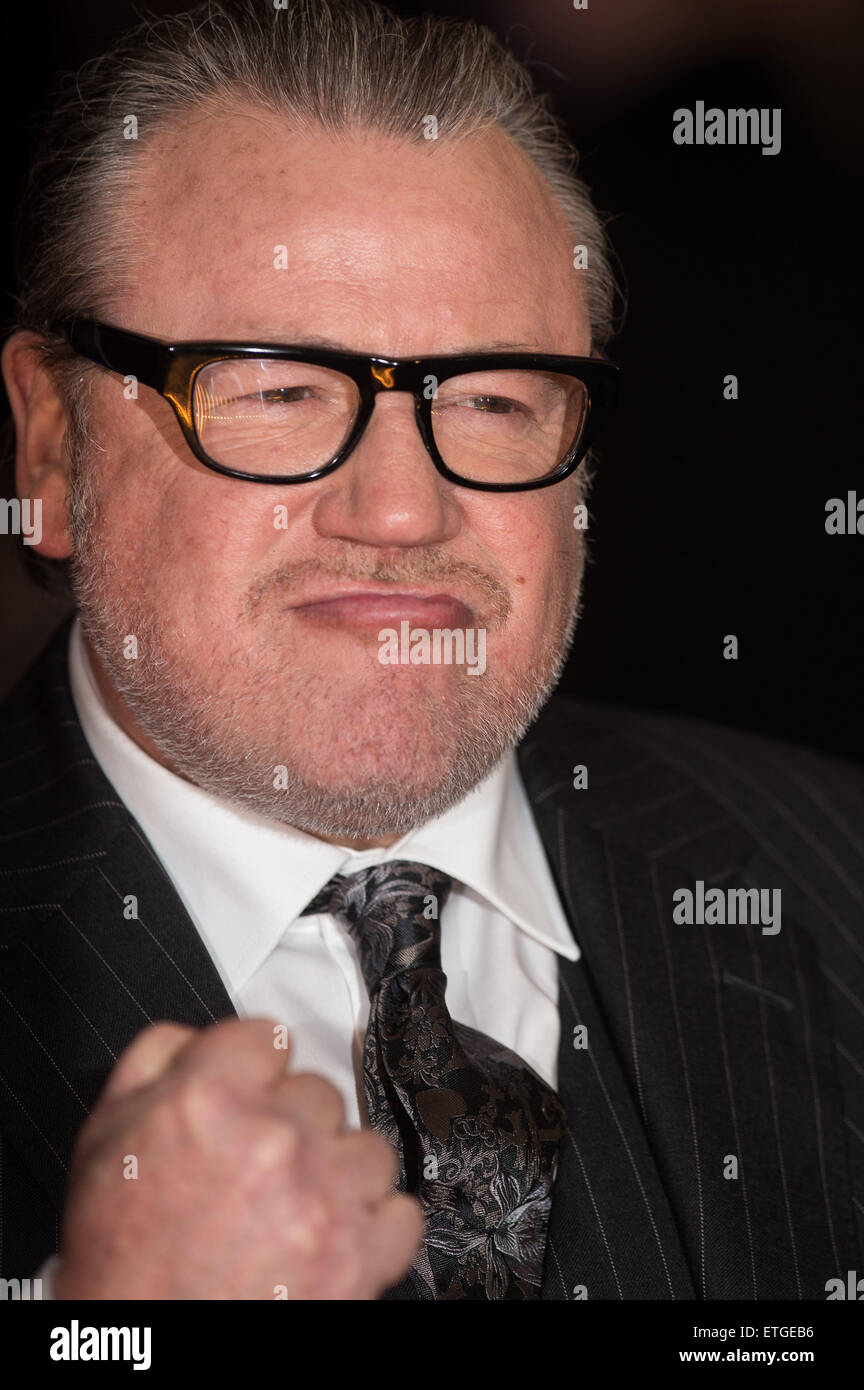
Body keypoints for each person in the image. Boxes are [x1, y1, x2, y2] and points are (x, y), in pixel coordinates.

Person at [1, 0, 861, 1302]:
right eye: (279, 388)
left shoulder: (835, 874)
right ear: (52, 449)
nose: (401, 511)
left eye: (493, 398)